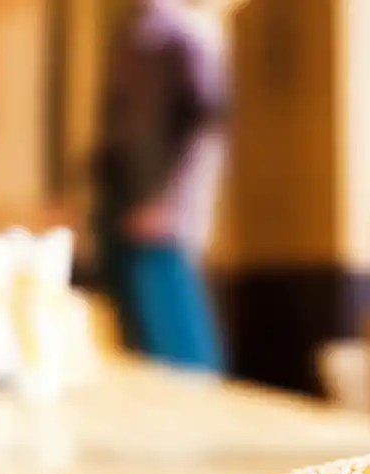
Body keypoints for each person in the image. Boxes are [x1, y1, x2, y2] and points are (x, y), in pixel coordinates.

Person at [95, 0, 237, 372]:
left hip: (162, 216)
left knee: (167, 353)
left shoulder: (169, 33)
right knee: (181, 361)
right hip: (156, 220)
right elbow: (139, 126)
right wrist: (149, 198)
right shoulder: (167, 34)